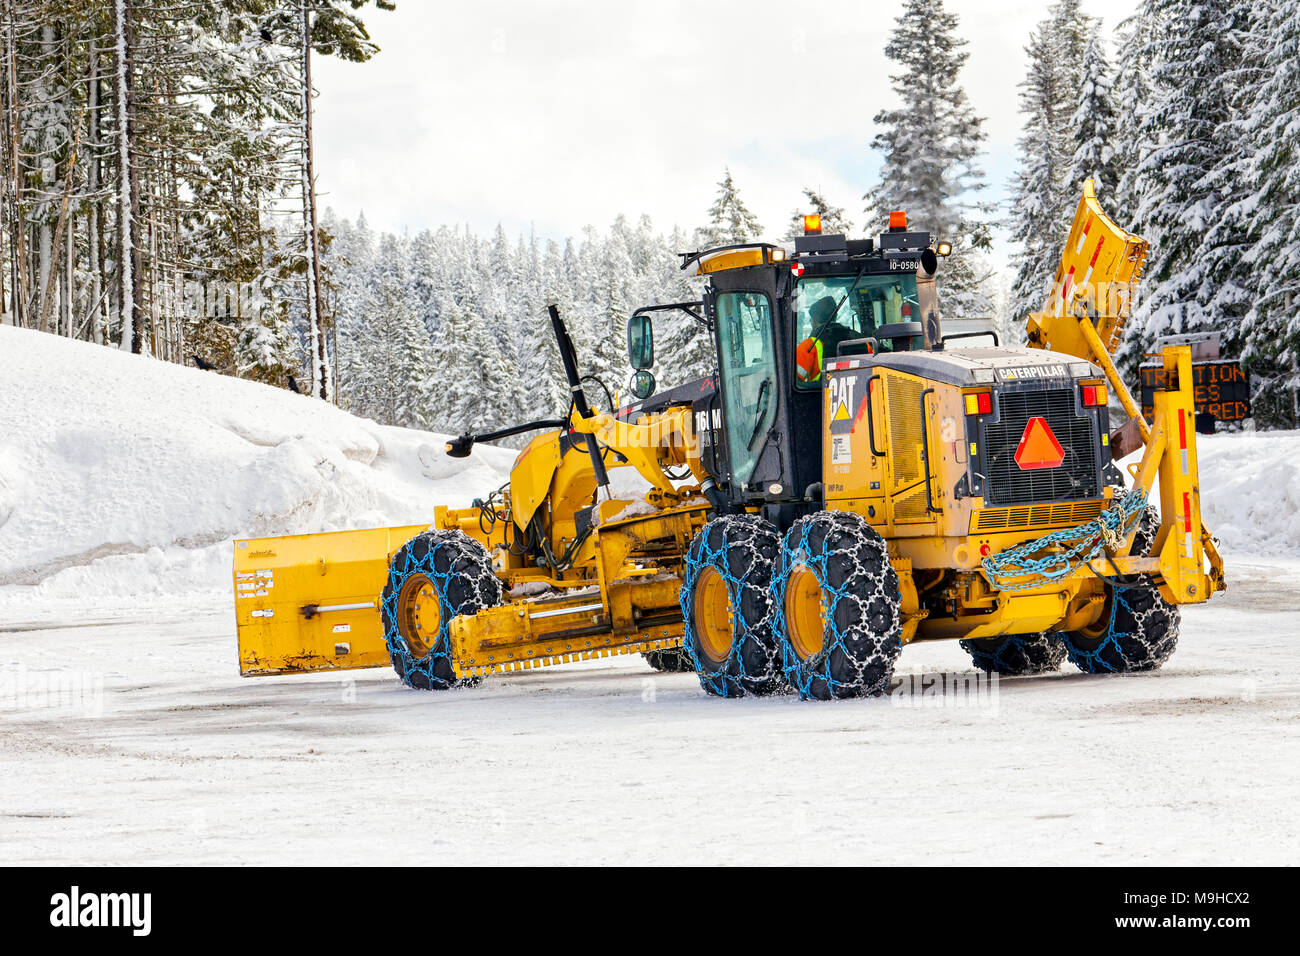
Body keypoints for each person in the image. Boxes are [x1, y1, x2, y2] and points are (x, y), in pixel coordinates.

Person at [795, 295, 859, 383]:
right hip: (861, 395)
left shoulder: (809, 347)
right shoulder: (860, 340)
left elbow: (793, 381)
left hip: (818, 395)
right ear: (835, 317)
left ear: (813, 320)